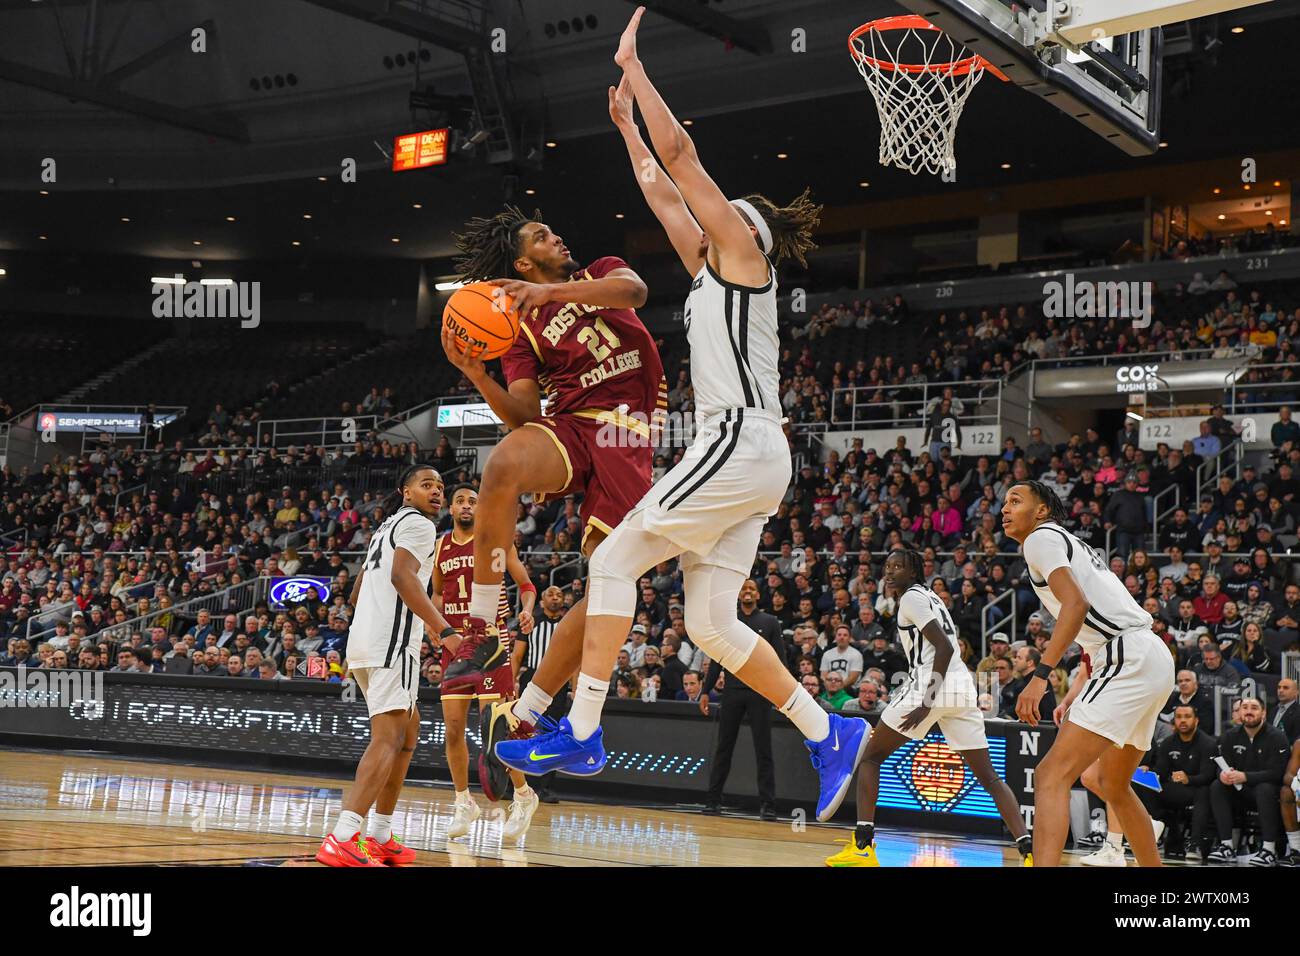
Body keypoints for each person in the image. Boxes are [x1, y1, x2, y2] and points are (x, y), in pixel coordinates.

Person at [496, 10, 867, 826]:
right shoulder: (708, 272)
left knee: (612, 563)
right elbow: (664, 188)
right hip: (753, 456)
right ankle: (829, 730)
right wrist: (626, 127)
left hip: (737, 440)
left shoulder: (745, 257)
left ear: (745, 228)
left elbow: (685, 160)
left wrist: (636, 68)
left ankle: (583, 730)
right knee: (710, 624)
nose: (707, 215)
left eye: (723, 212)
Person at [438, 143, 668, 760]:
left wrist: (555, 294)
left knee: (609, 585)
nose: (556, 236)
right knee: (503, 462)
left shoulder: (600, 273)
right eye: (542, 236)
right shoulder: (520, 332)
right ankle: (483, 631)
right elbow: (522, 413)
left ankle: (529, 712)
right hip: (571, 426)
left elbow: (636, 292)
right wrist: (476, 374)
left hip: (626, 434)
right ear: (522, 260)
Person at [1003, 480, 1175, 867]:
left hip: (1126, 655)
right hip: (1150, 655)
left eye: (1015, 501)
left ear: (1041, 511)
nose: (1005, 509)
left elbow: (1075, 605)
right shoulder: (1067, 542)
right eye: (1004, 503)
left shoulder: (1040, 538)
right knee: (1111, 783)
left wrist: (1039, 676)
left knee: (1050, 775)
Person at [826, 549, 1033, 866]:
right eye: (888, 566)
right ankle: (1029, 851)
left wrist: (927, 702)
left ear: (914, 571)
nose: (890, 571)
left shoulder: (911, 597)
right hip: (962, 687)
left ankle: (863, 848)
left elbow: (945, 647)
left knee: (870, 757)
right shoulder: (932, 597)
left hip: (931, 682)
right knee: (989, 776)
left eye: (898, 566)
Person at [316, 465, 455, 867]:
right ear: (406, 492)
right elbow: (402, 577)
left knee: (409, 732)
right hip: (392, 645)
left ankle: (379, 833)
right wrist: (443, 629)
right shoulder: (421, 525)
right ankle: (344, 836)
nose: (436, 491)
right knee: (389, 739)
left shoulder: (385, 527)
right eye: (426, 485)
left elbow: (357, 591)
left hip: (364, 642)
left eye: (440, 487)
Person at [431, 484, 540, 842]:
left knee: (495, 730)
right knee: (452, 730)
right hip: (455, 646)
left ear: (481, 509)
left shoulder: (497, 542)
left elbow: (526, 585)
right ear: (451, 509)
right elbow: (436, 594)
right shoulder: (440, 547)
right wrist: (434, 625)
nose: (466, 506)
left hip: (492, 644)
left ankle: (523, 795)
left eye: (473, 501)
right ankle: (464, 801)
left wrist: (527, 610)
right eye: (460, 501)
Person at [700, 578, 785, 820]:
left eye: (752, 589)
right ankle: (713, 800)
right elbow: (717, 658)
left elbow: (780, 659)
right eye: (744, 588)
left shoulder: (769, 622)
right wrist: (705, 690)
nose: (747, 592)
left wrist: (782, 692)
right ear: (738, 594)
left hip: (760, 692)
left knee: (763, 749)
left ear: (758, 594)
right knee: (723, 748)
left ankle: (768, 804)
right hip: (732, 692)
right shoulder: (729, 622)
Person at [1205, 697, 1290, 866]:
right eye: (1245, 707)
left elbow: (1277, 773)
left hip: (1268, 794)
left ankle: (1269, 850)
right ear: (1239, 712)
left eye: (1254, 708)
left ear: (1263, 713)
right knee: (1217, 786)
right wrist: (1223, 775)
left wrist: (1245, 776)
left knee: (1264, 789)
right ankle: (1227, 846)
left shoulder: (1277, 737)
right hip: (1240, 791)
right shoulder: (1229, 736)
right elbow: (1221, 765)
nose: (1249, 711)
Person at [1137, 704, 1216, 861]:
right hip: (1174, 789)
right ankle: (1158, 826)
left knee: (1204, 791)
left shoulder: (1207, 743)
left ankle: (1195, 844)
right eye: (1179, 717)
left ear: (1196, 720)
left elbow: (1208, 776)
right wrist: (1148, 770)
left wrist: (1189, 779)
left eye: (1187, 717)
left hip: (1196, 789)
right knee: (1142, 783)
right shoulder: (1168, 742)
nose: (1183, 721)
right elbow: (1161, 771)